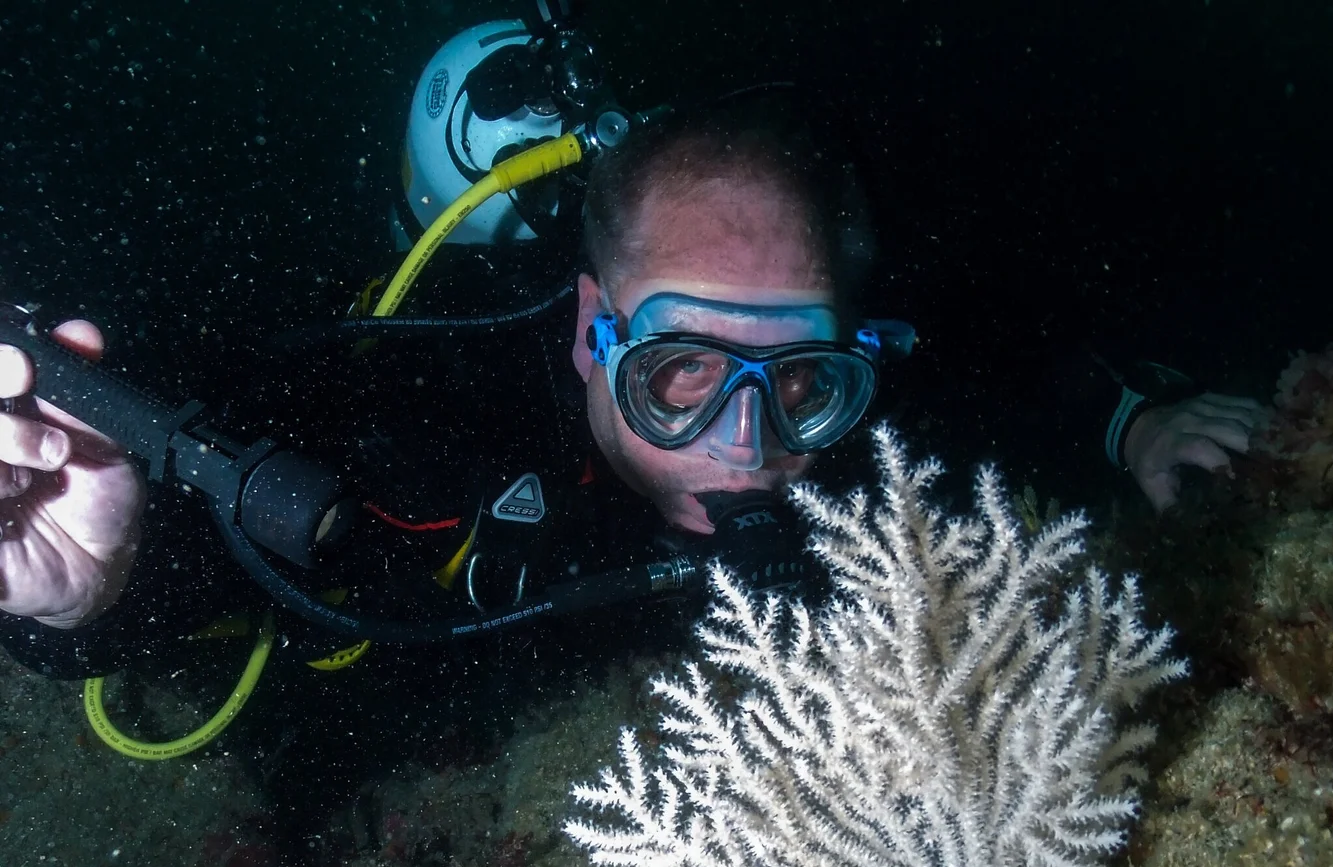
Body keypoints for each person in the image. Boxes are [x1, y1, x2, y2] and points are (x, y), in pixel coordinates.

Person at [0, 78, 1261, 680]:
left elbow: (1009, 354)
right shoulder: (447, 421)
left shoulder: (882, 409)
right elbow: (249, 557)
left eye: (806, 384)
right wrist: (90, 593)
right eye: (680, 375)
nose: (748, 444)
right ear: (592, 329)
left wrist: (1133, 420)